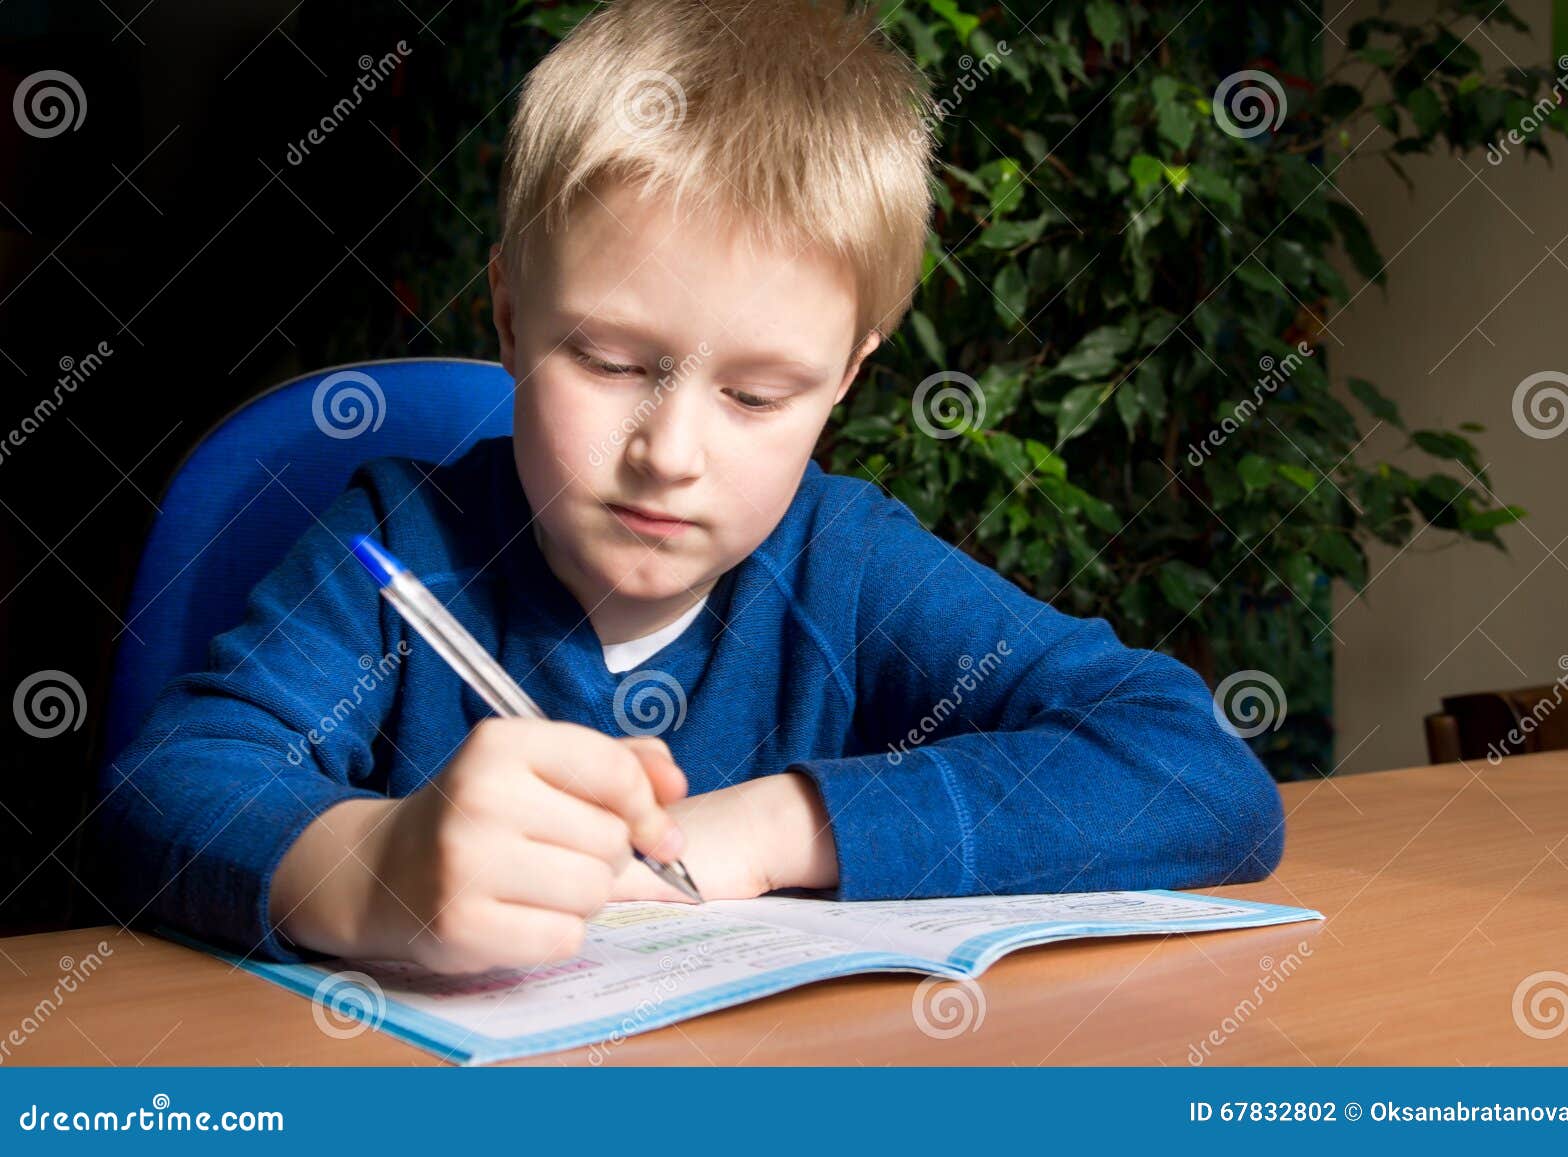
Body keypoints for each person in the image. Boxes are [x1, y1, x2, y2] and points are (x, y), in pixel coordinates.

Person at [97, 0, 1284, 974]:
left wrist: (773, 827)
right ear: (509, 316)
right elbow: (170, 780)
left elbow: (1195, 768)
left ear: (846, 381)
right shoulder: (397, 547)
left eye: (760, 396)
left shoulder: (849, 564)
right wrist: (367, 869)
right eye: (611, 363)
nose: (669, 451)